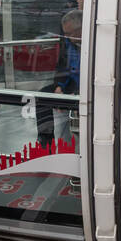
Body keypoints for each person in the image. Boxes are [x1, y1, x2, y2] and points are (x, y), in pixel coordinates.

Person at [36, 9, 82, 150]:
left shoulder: (95, 43)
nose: (66, 37)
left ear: (81, 29)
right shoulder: (67, 41)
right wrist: (58, 86)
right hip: (70, 83)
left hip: (86, 86)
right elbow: (62, 66)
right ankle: (46, 141)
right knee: (42, 97)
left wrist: (78, 92)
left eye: (69, 33)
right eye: (65, 33)